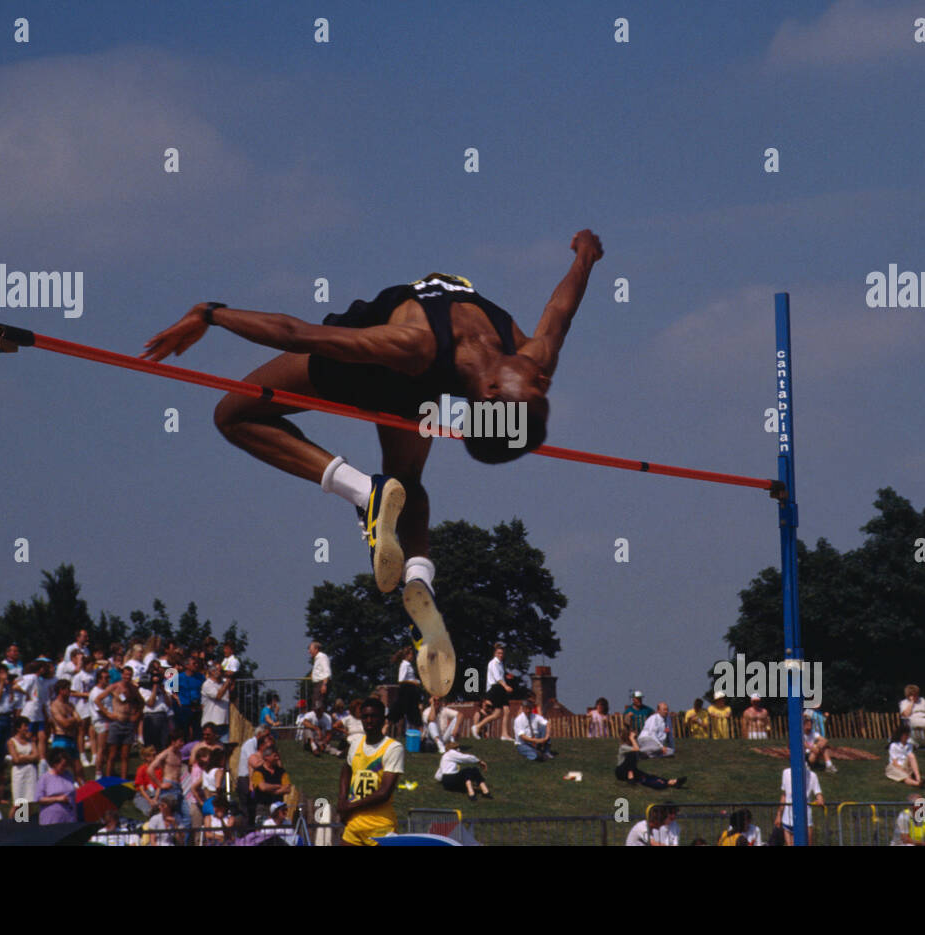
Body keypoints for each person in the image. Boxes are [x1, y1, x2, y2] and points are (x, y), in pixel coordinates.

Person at [144, 235, 604, 695]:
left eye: (535, 391)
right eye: (544, 389)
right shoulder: (529, 357)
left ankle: (365, 494)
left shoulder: (417, 342)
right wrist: (585, 254)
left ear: (489, 394)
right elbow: (563, 309)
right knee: (410, 483)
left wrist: (210, 313)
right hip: (413, 389)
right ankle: (418, 573)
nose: (544, 380)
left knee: (235, 414)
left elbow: (298, 333)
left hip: (370, 367)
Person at [337, 697, 404, 846]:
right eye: (365, 716)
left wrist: (348, 806)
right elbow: (346, 769)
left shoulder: (393, 748)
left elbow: (384, 793)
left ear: (383, 719)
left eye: (374, 716)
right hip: (354, 823)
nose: (369, 720)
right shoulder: (355, 744)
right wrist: (342, 798)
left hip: (380, 826)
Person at [99, 665, 144, 778]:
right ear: (122, 675)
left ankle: (123, 780)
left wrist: (137, 715)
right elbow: (97, 699)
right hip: (117, 722)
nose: (127, 677)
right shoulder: (115, 687)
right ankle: (109, 779)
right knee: (112, 754)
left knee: (125, 755)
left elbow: (142, 702)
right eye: (125, 674)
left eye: (130, 675)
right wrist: (107, 713)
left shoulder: (133, 689)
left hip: (128, 723)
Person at [472, 643, 520, 740]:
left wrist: (507, 677)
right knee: (497, 713)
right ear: (495, 653)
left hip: (500, 688)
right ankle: (477, 727)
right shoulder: (493, 663)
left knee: (506, 711)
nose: (500, 655)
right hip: (495, 688)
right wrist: (506, 686)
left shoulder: (501, 664)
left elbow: (501, 676)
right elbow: (497, 678)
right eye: (498, 653)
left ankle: (504, 734)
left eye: (502, 653)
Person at [775, 763, 824, 846]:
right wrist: (779, 815)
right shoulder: (786, 773)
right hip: (788, 818)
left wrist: (819, 801)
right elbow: (784, 795)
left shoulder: (812, 775)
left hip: (805, 819)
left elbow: (819, 795)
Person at [35, 748, 79, 825]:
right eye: (62, 765)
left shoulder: (68, 775)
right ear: (54, 764)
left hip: (69, 816)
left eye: (66, 765)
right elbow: (38, 799)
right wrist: (58, 799)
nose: (65, 767)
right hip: (52, 818)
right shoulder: (45, 778)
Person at [614, 745, 687, 791]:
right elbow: (636, 749)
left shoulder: (633, 747)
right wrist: (632, 738)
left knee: (648, 776)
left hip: (633, 770)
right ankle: (631, 777)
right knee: (632, 754)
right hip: (621, 772)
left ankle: (672, 782)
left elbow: (641, 753)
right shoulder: (622, 747)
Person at [250, 746, 293, 819]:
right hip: (263, 808)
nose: (277, 758)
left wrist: (271, 791)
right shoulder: (258, 772)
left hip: (278, 808)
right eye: (275, 756)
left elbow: (288, 788)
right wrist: (279, 786)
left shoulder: (281, 771)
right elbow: (263, 787)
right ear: (267, 757)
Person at [8, 719, 41, 813]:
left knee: (28, 802)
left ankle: (23, 823)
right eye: (25, 726)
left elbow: (37, 756)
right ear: (18, 728)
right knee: (18, 803)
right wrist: (30, 757)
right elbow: (16, 759)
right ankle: (10, 825)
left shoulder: (31, 741)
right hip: (19, 774)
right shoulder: (12, 741)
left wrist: (22, 757)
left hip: (30, 773)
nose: (27, 728)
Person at [388, 646, 424, 732]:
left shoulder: (409, 665)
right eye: (411, 654)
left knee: (415, 717)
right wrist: (414, 682)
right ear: (407, 655)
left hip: (411, 693)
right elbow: (401, 680)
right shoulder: (404, 665)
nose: (413, 656)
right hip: (406, 692)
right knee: (397, 714)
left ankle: (420, 737)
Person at [513, 693, 555, 761]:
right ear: (523, 709)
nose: (528, 711)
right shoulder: (518, 720)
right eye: (526, 709)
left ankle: (546, 751)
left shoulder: (535, 716)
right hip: (523, 743)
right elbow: (522, 736)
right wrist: (536, 740)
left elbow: (547, 724)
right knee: (536, 756)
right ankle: (535, 753)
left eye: (529, 708)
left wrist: (546, 737)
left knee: (544, 727)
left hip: (535, 740)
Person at [899, 684, 925, 753]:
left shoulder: (922, 700)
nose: (915, 696)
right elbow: (906, 715)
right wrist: (912, 702)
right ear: (908, 695)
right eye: (912, 695)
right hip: (912, 720)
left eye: (916, 694)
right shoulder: (904, 702)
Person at [200, 663, 233, 742]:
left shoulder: (223, 684)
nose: (221, 673)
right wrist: (227, 682)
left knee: (224, 748)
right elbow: (218, 696)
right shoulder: (207, 684)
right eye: (219, 670)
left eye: (222, 671)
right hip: (212, 722)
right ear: (212, 671)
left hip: (224, 722)